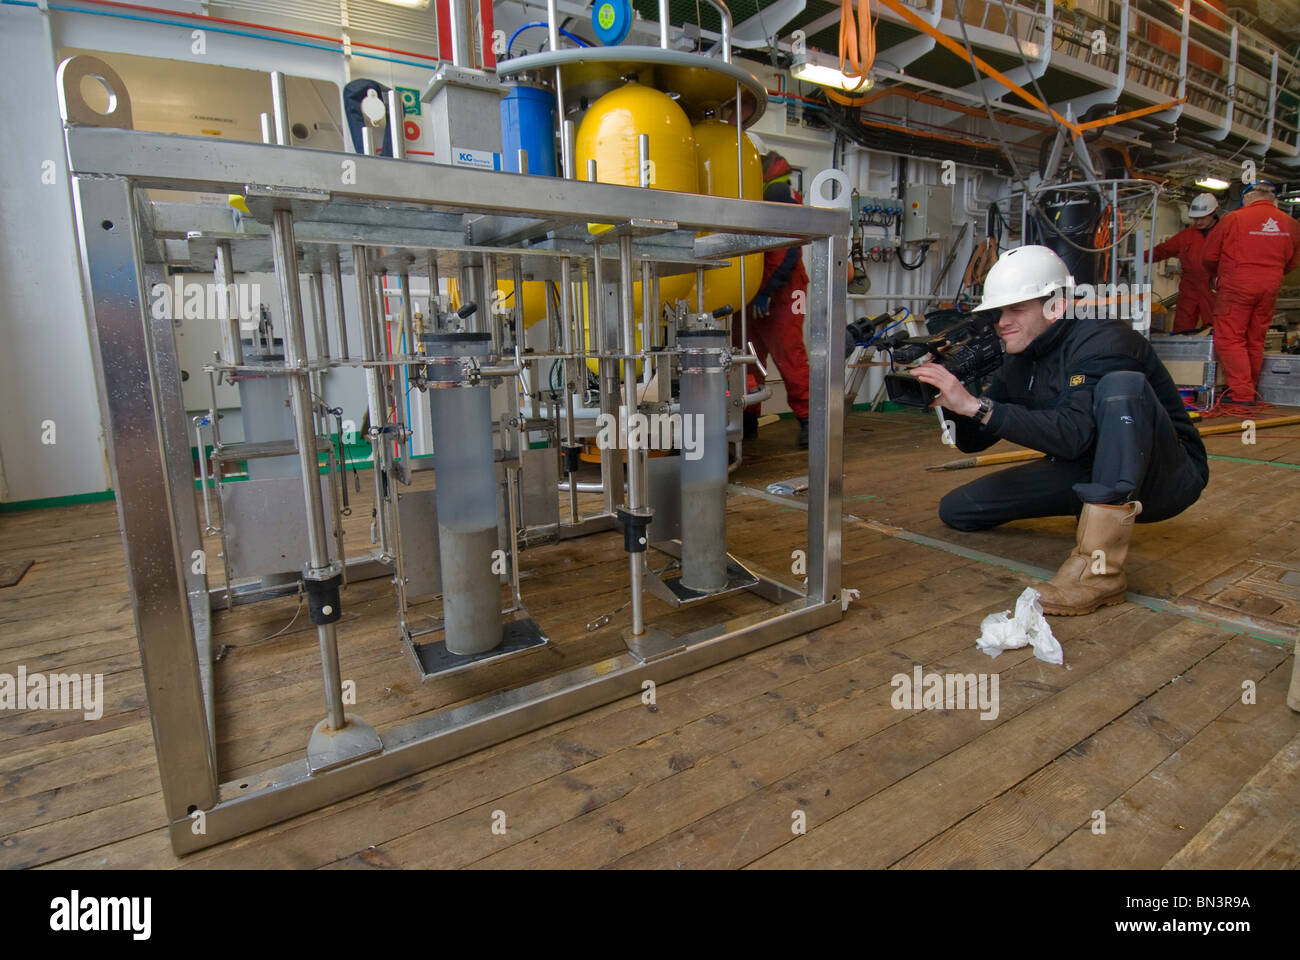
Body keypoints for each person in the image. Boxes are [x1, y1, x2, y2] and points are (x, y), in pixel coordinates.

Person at [913, 245, 1209, 617]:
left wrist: (978, 406)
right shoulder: (1022, 357)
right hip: (1085, 466)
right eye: (999, 312)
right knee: (958, 509)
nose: (1002, 321)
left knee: (1122, 386)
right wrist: (950, 398)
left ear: (1056, 306)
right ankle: (1090, 505)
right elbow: (974, 440)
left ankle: (1099, 574)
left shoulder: (1104, 340)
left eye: (1016, 309)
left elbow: (1074, 434)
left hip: (1164, 475)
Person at [1202, 181, 1300, 406]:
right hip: (1271, 285)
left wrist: (1219, 274)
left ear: (1248, 198)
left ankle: (1242, 395)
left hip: (1238, 283)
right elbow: (1294, 262)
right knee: (1255, 339)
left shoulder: (1234, 219)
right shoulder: (1292, 224)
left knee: (1229, 338)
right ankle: (1249, 389)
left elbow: (1209, 256)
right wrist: (1271, 272)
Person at [742, 151, 812, 449]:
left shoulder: (777, 192)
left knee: (790, 357)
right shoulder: (765, 191)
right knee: (747, 358)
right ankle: (747, 420)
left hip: (780, 290)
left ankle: (811, 421)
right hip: (756, 288)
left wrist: (767, 291)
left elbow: (789, 249)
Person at [1149, 192, 1219, 333]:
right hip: (1189, 285)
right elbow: (1163, 250)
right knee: (1182, 326)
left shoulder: (1225, 231)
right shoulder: (1187, 235)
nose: (1198, 222)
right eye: (1195, 219)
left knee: (1216, 325)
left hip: (1214, 284)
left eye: (1202, 218)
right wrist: (1140, 257)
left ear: (1213, 213)